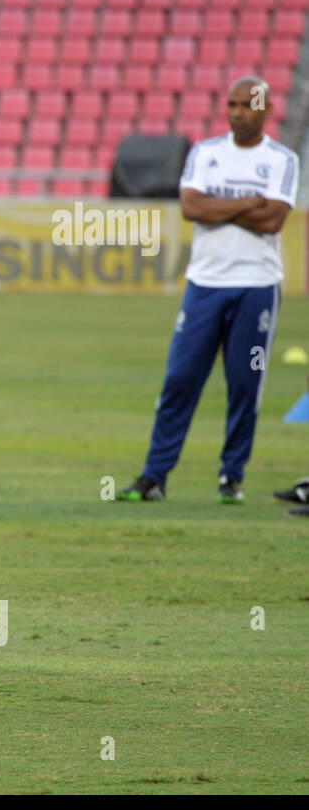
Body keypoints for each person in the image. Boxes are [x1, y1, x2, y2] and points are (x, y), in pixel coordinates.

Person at [118, 76, 298, 503]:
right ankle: (154, 476)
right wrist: (247, 203)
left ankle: (231, 477)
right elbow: (191, 207)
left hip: (256, 287)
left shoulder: (281, 160)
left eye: (247, 105)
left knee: (245, 383)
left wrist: (217, 209)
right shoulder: (205, 153)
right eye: (232, 104)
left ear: (266, 110)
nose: (238, 113)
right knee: (180, 378)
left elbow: (273, 221)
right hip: (204, 285)